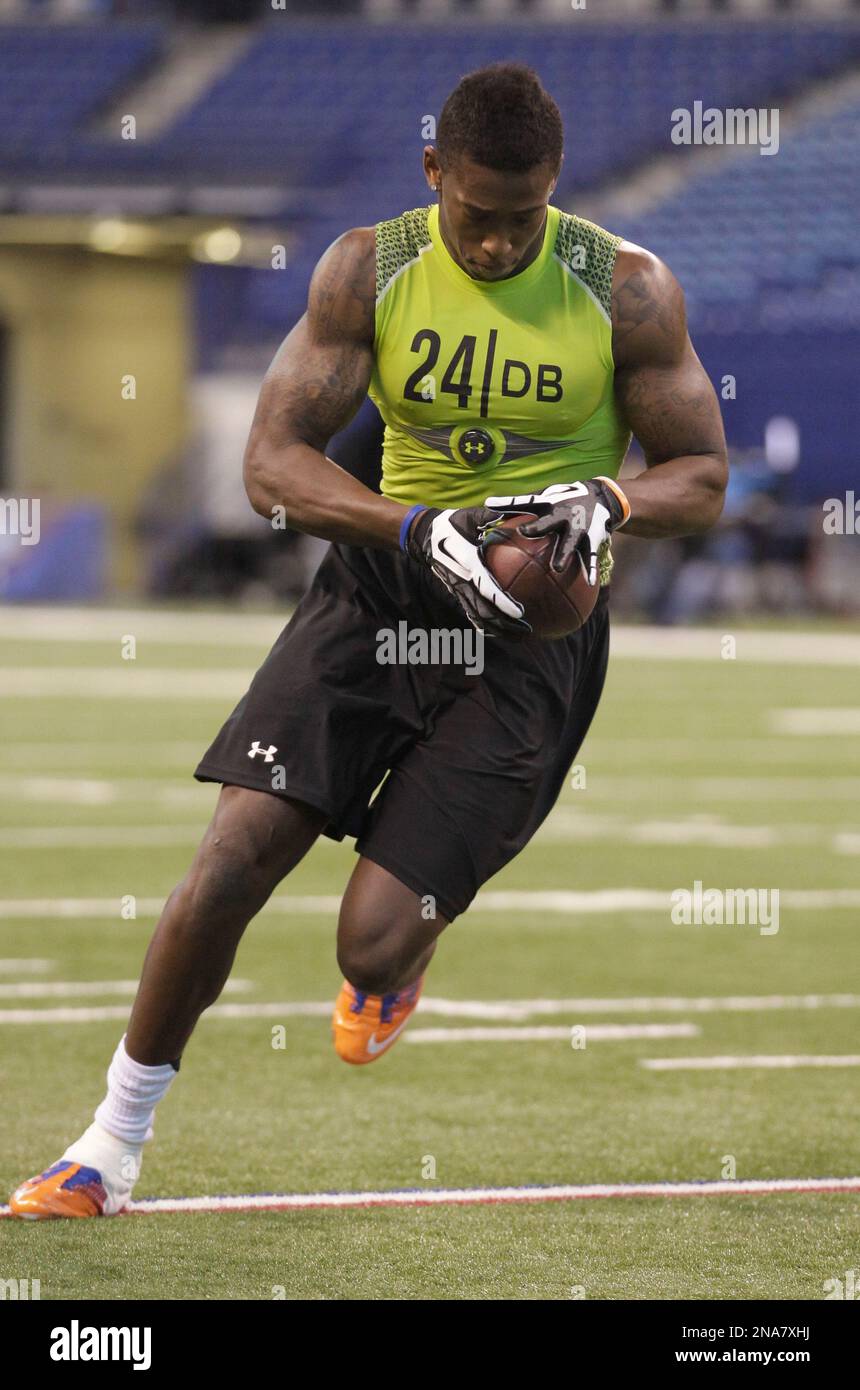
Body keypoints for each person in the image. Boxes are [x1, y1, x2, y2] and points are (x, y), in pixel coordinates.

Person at [10, 62, 727, 1219]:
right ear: (431, 171)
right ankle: (106, 1142)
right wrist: (415, 526)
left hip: (528, 633)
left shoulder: (625, 289)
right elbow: (269, 467)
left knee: (370, 948)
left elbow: (702, 475)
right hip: (381, 593)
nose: (495, 245)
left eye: (522, 218)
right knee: (232, 855)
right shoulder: (370, 266)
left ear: (556, 187)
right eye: (474, 216)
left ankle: (404, 951)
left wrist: (610, 499)